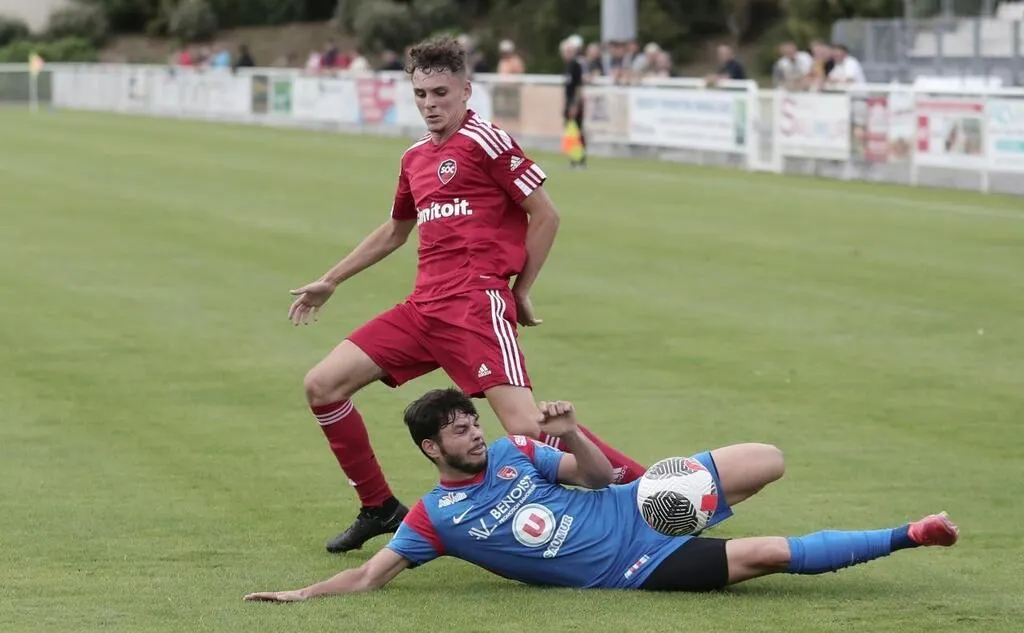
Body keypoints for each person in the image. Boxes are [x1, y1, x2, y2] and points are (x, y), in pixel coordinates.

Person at [286, 36, 647, 555]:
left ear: (465, 90)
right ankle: (378, 507)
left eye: (440, 93)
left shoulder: (487, 140)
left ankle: (655, 494)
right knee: (322, 385)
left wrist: (520, 289)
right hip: (422, 309)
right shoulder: (414, 157)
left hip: (474, 307)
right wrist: (332, 279)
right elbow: (395, 230)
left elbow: (545, 215)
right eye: (420, 95)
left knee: (527, 428)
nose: (430, 104)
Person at [244, 389, 960, 601]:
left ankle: (905, 532)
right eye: (459, 431)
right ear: (431, 449)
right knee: (769, 553)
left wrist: (575, 433)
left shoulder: (515, 451)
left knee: (766, 458)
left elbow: (594, 477)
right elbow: (371, 575)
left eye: (472, 422)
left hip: (642, 504)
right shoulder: (435, 519)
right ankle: (912, 532)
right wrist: (302, 595)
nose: (472, 434)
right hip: (633, 568)